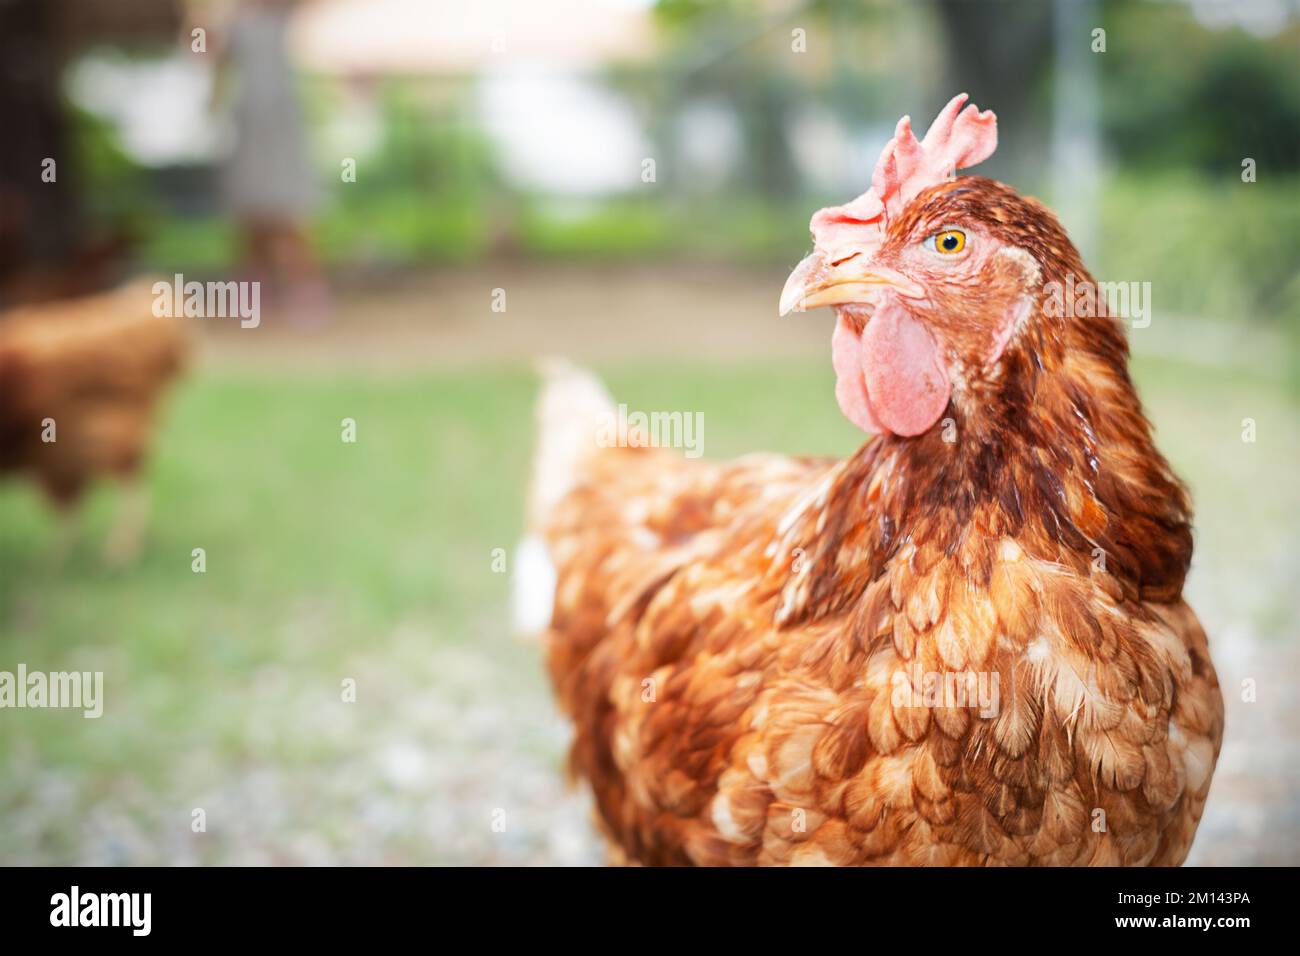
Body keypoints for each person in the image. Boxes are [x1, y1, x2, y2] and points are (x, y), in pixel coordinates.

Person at [216, 0, 330, 325]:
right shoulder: (231, 18)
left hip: (282, 118)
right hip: (250, 119)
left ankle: (305, 298)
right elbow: (211, 58)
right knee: (251, 221)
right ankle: (252, 303)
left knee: (291, 219)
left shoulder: (286, 13)